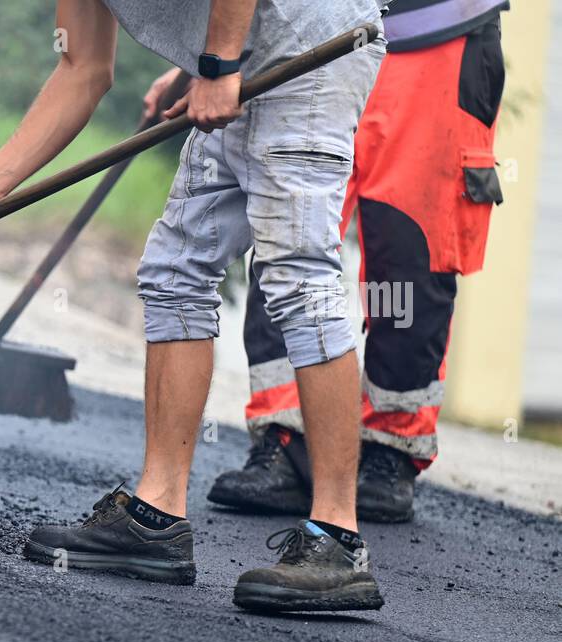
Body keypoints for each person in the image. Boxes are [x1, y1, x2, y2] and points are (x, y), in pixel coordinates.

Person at [0, 0, 386, 612]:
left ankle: (338, 539)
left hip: (309, 49)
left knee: (297, 276)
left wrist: (219, 65)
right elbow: (83, 70)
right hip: (236, 61)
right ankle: (156, 518)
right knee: (174, 269)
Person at [210, 0, 509, 523]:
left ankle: (390, 447)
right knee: (290, 228)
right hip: (315, 27)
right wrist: (209, 58)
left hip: (439, 30)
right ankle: (284, 437)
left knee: (408, 252)